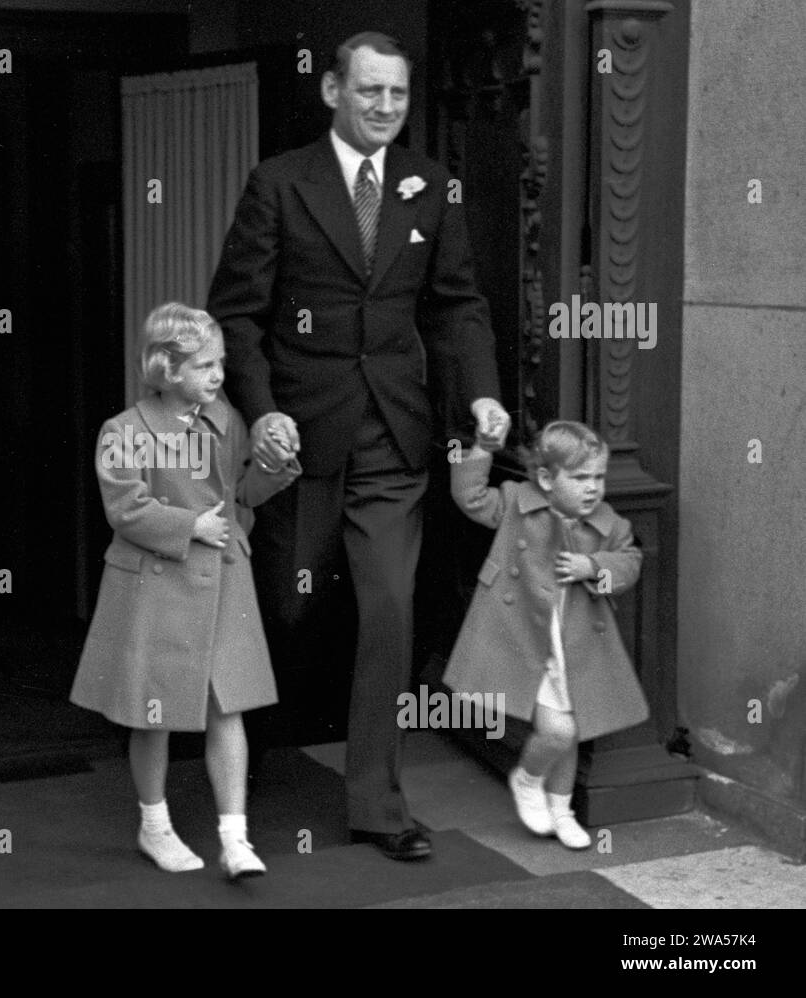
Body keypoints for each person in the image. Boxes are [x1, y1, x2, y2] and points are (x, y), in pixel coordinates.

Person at [206, 31, 511, 861]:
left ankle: (379, 806)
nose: (385, 108)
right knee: (285, 606)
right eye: (370, 91)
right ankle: (239, 753)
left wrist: (479, 390)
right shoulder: (280, 183)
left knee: (389, 611)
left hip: (394, 436)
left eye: (398, 95)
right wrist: (262, 412)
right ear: (332, 90)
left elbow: (456, 305)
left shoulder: (430, 186)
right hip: (297, 439)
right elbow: (236, 312)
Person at [69, 303, 301, 879]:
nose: (218, 375)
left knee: (230, 708)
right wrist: (189, 525)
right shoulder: (125, 431)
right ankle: (155, 826)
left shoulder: (226, 420)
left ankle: (235, 836)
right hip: (156, 588)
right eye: (203, 366)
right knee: (153, 715)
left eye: (219, 363)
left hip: (223, 579)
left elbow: (243, 493)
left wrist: (275, 467)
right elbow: (125, 507)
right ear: (166, 369)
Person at [444, 421, 649, 848]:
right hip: (521, 638)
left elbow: (629, 566)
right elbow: (470, 497)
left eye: (598, 477)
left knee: (569, 728)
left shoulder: (608, 523)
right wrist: (482, 447)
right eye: (579, 478)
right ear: (544, 478)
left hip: (573, 643)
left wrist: (594, 568)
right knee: (558, 730)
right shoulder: (517, 503)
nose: (592, 488)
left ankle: (561, 809)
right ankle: (527, 777)